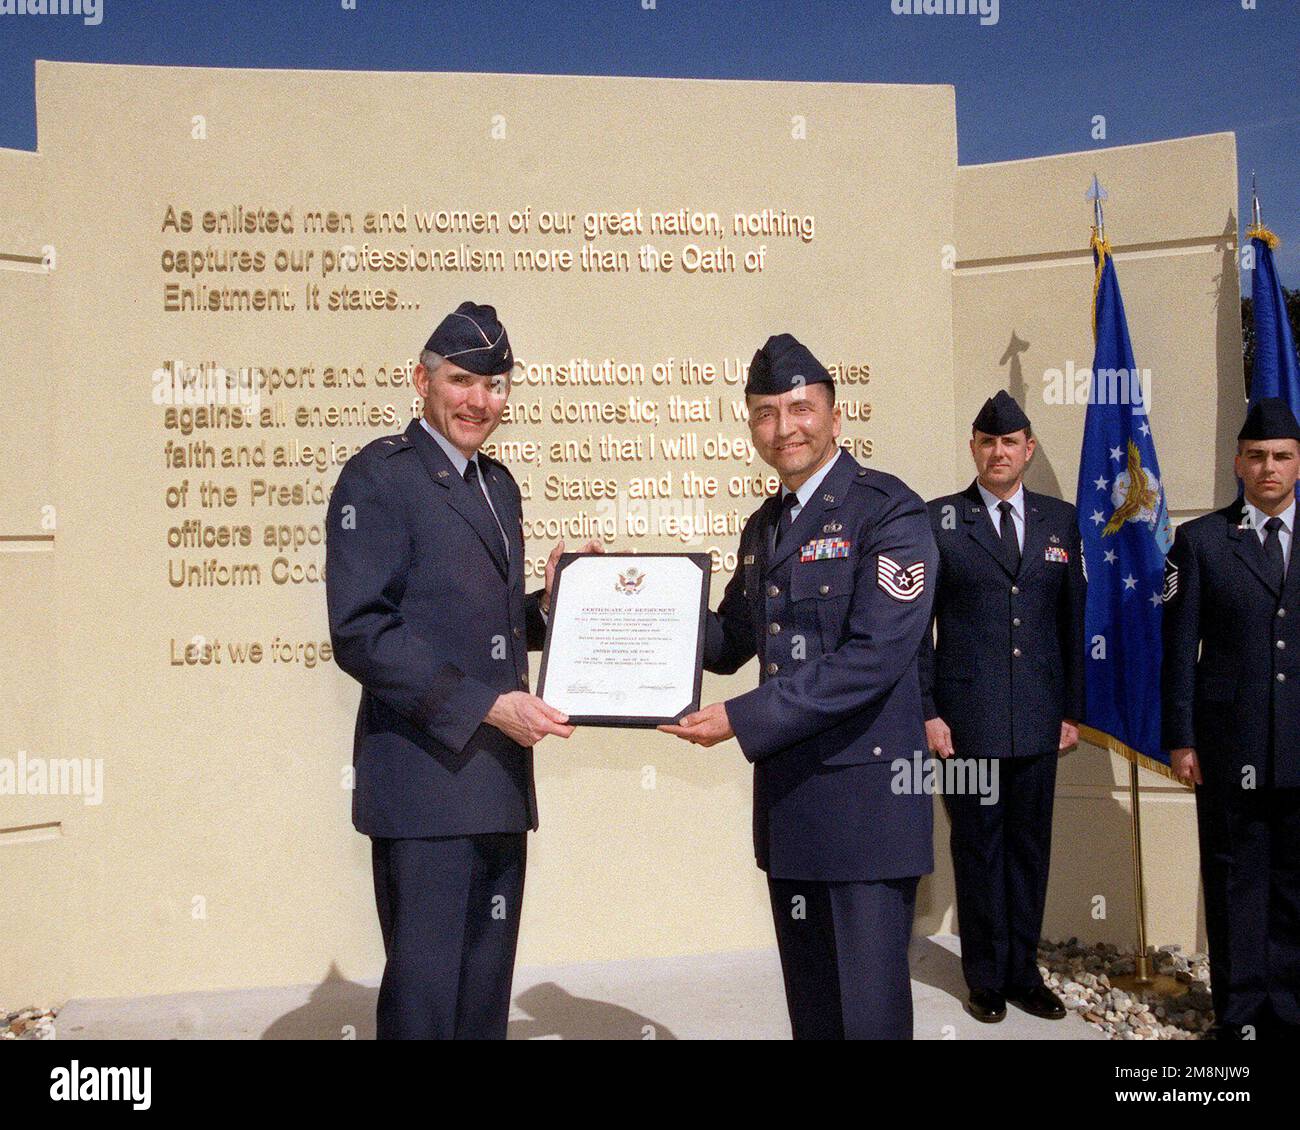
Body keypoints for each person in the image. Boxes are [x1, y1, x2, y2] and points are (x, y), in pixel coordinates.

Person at [326, 301, 596, 1039]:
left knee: (480, 1004)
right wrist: (487, 705)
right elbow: (361, 632)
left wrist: (567, 601)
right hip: (425, 785)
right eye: (462, 380)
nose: (480, 400)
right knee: (425, 1005)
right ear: (422, 380)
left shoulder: (496, 485)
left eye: (496, 384)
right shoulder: (379, 478)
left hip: (496, 780)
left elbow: (494, 628)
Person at [659, 333, 938, 1039]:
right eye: (764, 412)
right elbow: (730, 640)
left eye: (800, 407)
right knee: (815, 1016)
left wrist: (741, 720)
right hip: (793, 807)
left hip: (867, 810)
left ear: (836, 417)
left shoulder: (890, 512)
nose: (785, 427)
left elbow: (871, 658)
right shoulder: (765, 528)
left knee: (869, 1019)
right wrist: (627, 600)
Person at [919, 390, 1085, 1023]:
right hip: (965, 725)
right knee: (978, 847)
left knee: (1028, 849)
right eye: (987, 442)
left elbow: (1074, 618)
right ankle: (984, 977)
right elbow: (920, 629)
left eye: (1009, 443)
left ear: (1028, 450)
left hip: (1041, 720)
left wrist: (1073, 709)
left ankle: (1023, 972)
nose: (998, 453)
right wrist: (929, 711)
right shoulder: (940, 521)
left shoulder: (1060, 521)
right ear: (973, 449)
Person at [1163, 396, 1300, 1040]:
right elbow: (1178, 648)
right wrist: (1181, 738)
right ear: (1238, 464)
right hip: (1228, 743)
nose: (1268, 467)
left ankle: (1290, 1006)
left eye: (1281, 456)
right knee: (1234, 880)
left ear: (1297, 463)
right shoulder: (1200, 542)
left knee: (1295, 884)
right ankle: (1241, 1012)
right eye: (1256, 456)